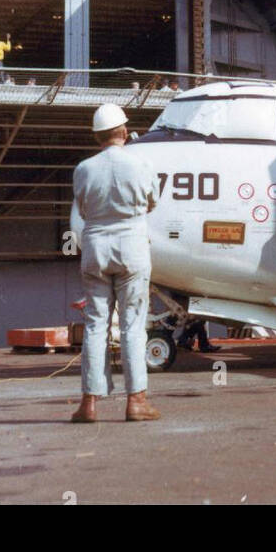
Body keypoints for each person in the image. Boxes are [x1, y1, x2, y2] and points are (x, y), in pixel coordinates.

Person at [69, 104, 160, 424]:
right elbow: (152, 203)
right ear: (124, 132)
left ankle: (89, 404)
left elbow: (81, 209)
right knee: (133, 325)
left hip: (95, 249)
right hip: (132, 247)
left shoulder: (83, 169)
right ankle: (136, 402)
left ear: (97, 137)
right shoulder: (143, 163)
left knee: (96, 324)